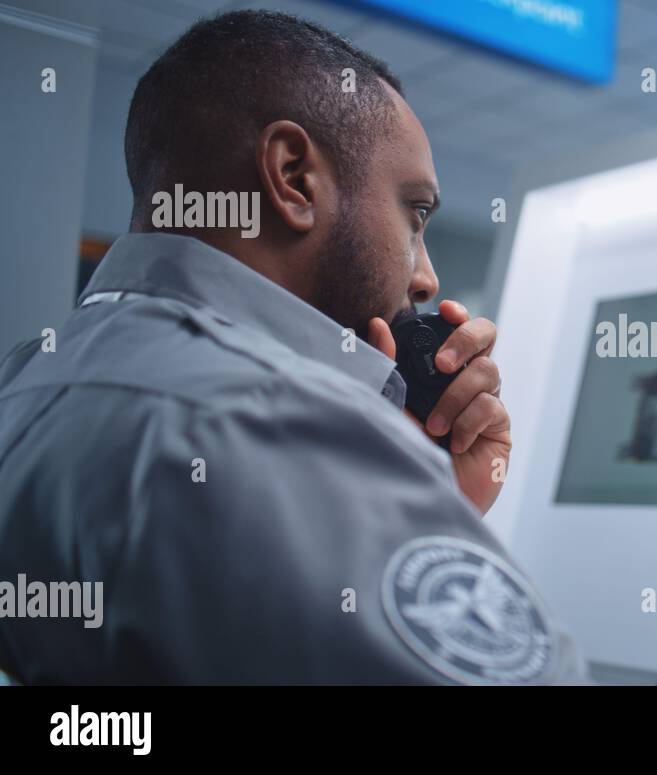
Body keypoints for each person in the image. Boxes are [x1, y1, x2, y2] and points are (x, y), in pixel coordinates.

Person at [0, 10, 587, 685]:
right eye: (414, 213)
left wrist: (424, 506)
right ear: (293, 178)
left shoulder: (28, 380)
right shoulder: (277, 420)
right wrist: (372, 470)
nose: (425, 276)